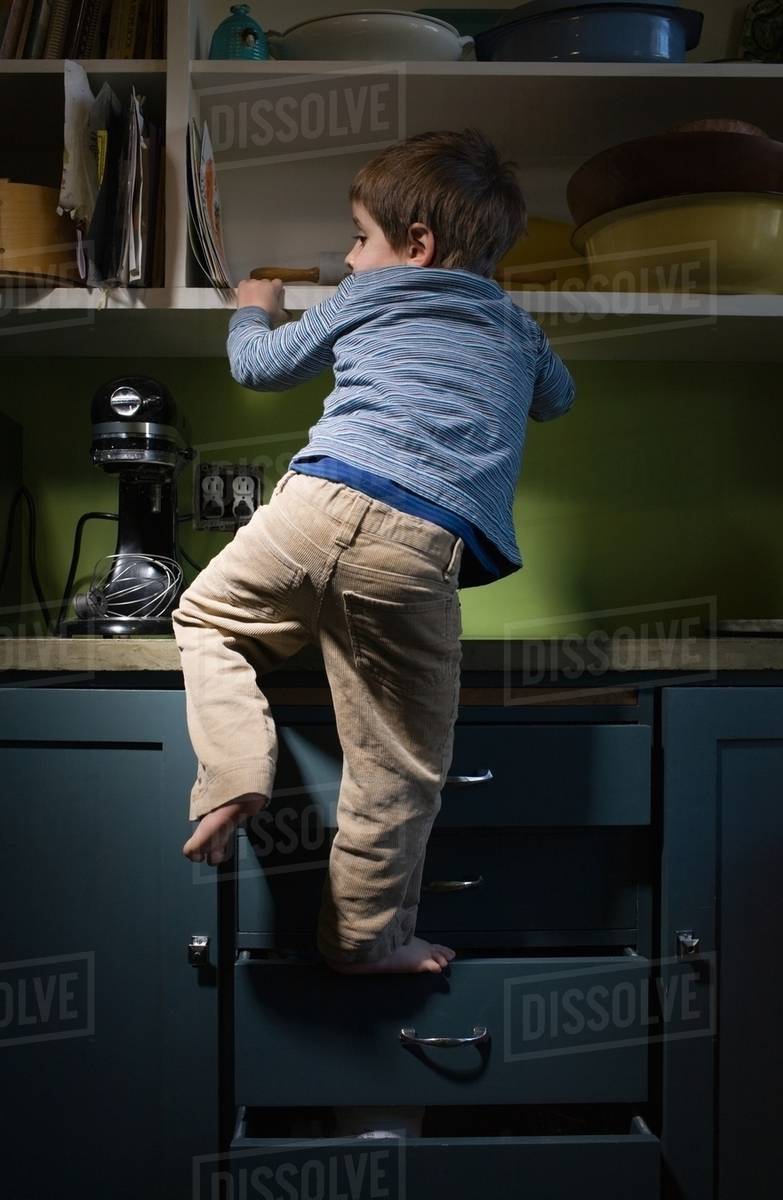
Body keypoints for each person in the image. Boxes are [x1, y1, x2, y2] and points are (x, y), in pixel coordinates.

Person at [171, 127, 575, 976]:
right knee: (397, 764)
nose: (353, 259)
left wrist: (255, 306)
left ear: (415, 246)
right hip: (414, 548)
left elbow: (261, 368)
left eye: (359, 237)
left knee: (206, 618)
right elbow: (557, 402)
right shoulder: (518, 327)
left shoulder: (369, 295)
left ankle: (238, 774)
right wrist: (511, 326)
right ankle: (365, 942)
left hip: (313, 507)